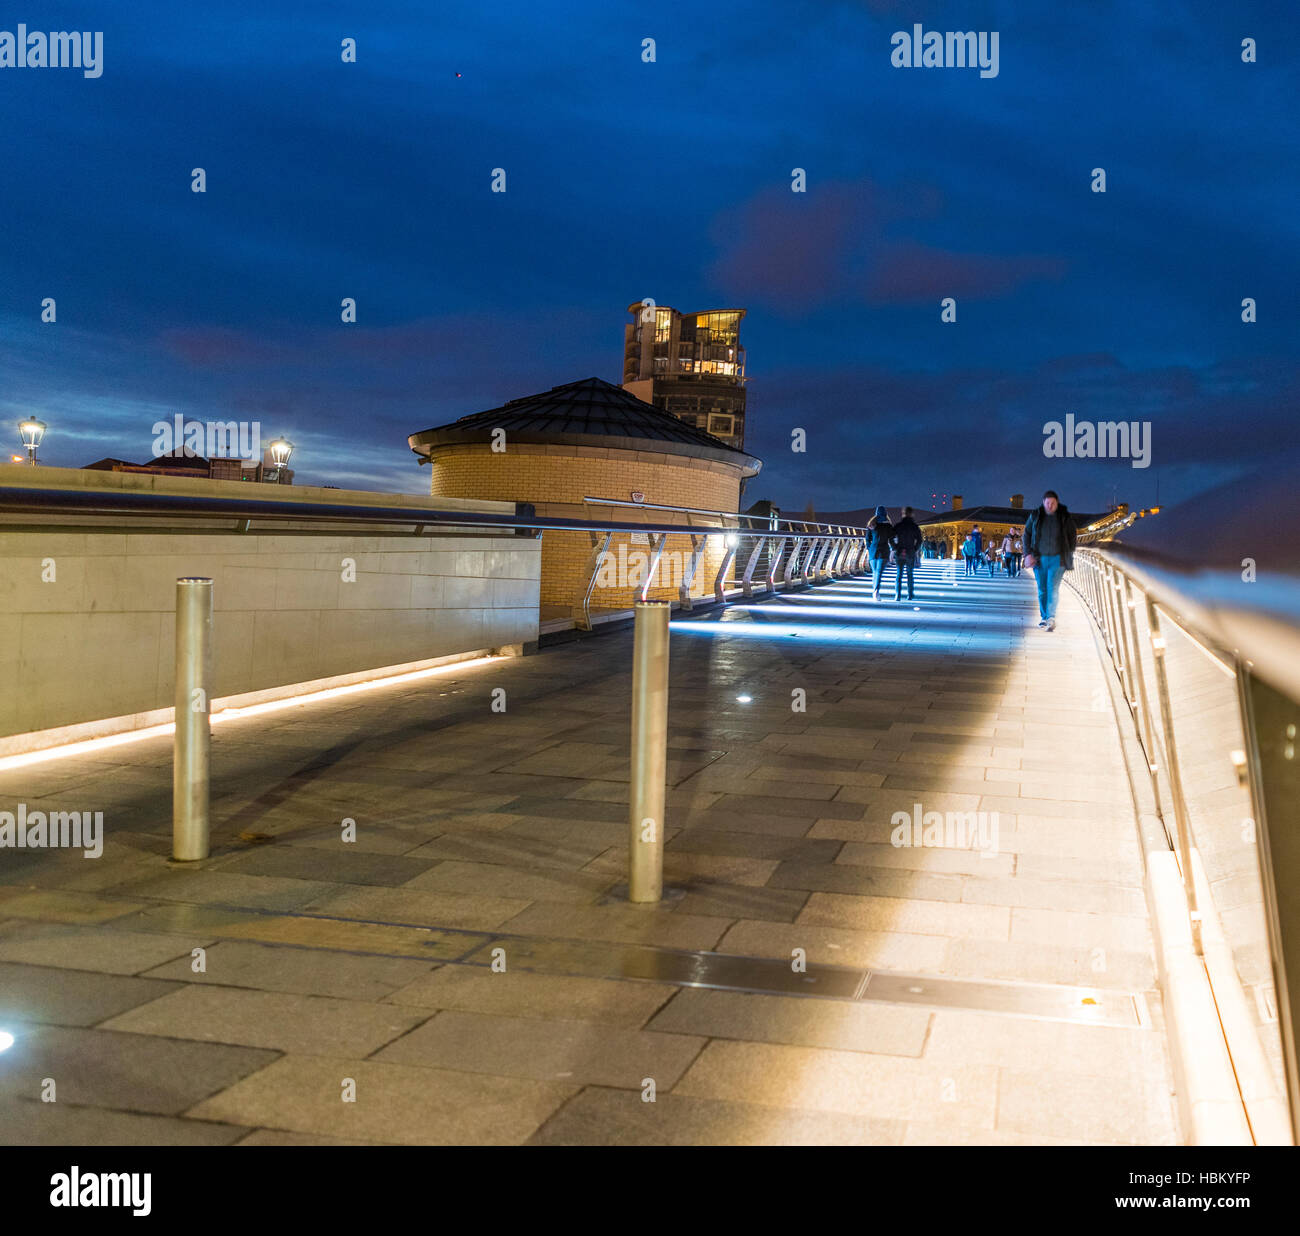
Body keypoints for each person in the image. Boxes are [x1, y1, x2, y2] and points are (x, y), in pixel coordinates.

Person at [1022, 489, 1077, 631]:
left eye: (1053, 503)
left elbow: (1072, 535)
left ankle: (1051, 617)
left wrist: (1068, 552)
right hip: (1038, 559)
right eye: (1048, 503)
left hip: (1057, 559)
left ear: (1057, 503)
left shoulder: (1064, 516)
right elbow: (1026, 534)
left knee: (1053, 588)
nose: (1050, 506)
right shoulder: (1035, 515)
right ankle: (1044, 617)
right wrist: (1027, 554)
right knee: (1042, 589)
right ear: (1043, 502)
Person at [890, 506, 923, 601]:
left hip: (899, 551)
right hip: (910, 552)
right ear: (912, 514)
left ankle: (897, 595)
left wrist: (895, 547)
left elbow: (891, 537)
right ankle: (910, 594)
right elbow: (920, 540)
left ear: (903, 514)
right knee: (909, 574)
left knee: (899, 574)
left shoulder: (898, 525)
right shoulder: (914, 526)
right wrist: (914, 549)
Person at [866, 505, 894, 600]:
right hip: (884, 551)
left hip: (873, 552)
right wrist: (893, 550)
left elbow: (867, 539)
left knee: (875, 572)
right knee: (878, 572)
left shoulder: (871, 525)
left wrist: (869, 549)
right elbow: (891, 540)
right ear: (885, 514)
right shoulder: (888, 526)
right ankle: (876, 591)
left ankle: (875, 591)